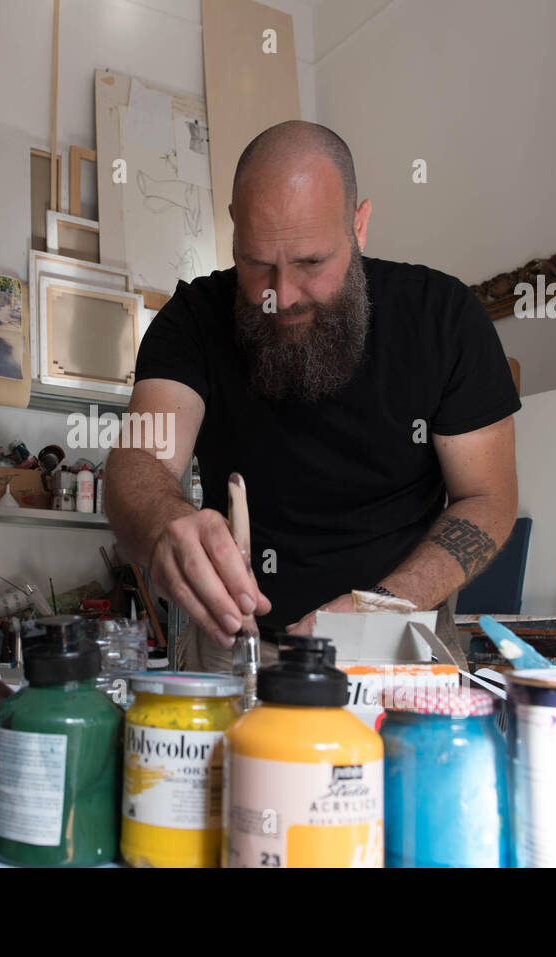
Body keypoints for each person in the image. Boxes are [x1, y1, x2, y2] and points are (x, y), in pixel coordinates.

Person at [105, 121, 520, 670]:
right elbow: (139, 463)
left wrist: (384, 606)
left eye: (310, 263)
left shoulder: (443, 319)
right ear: (233, 229)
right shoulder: (193, 321)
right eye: (257, 264)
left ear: (359, 225)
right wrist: (162, 525)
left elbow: (488, 498)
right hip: (237, 648)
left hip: (400, 636)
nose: (282, 295)